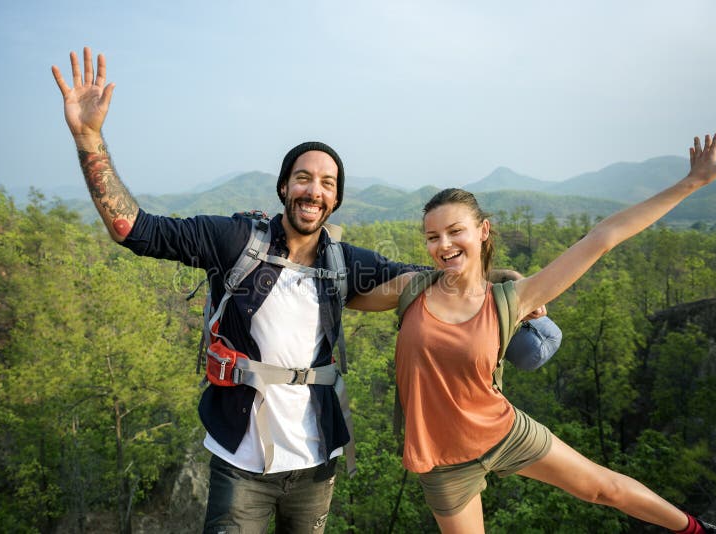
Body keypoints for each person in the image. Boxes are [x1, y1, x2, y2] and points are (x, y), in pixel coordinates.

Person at [52, 46, 557, 533]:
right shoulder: (233, 241)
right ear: (283, 187)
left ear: (334, 199)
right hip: (240, 458)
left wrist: (502, 283)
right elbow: (135, 230)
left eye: (327, 183)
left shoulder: (344, 263)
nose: (314, 190)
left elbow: (426, 279)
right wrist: (89, 138)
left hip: (317, 461)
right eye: (303, 178)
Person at [351, 135, 716, 533]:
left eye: (455, 231)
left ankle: (701, 530)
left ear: (483, 231)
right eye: (432, 237)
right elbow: (340, 296)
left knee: (602, 489)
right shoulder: (410, 288)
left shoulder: (513, 298)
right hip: (443, 461)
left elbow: (602, 238)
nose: (443, 245)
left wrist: (690, 183)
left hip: (503, 430)